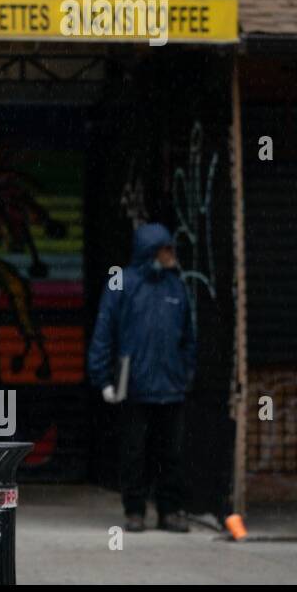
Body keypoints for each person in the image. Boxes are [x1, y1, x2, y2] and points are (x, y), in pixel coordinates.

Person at [87, 222, 196, 533]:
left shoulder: (176, 286)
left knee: (171, 455)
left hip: (171, 387)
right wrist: (103, 379)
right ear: (151, 251)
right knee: (134, 453)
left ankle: (169, 511)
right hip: (134, 387)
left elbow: (189, 336)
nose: (172, 255)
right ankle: (134, 511)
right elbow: (104, 331)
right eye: (166, 249)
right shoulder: (122, 282)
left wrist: (186, 372)